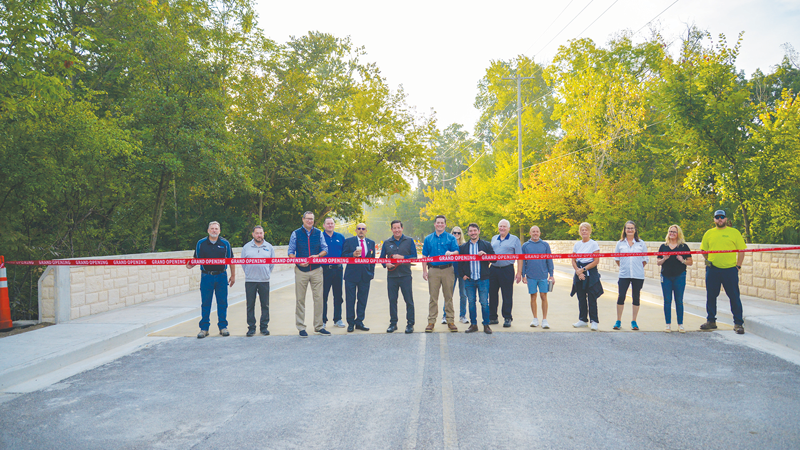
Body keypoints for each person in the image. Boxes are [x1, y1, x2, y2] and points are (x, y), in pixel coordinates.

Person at [700, 209, 747, 334]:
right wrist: (710, 261)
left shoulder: (734, 232)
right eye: (717, 217)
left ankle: (738, 323)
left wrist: (738, 266)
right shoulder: (709, 233)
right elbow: (704, 251)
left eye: (722, 217)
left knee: (734, 296)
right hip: (713, 270)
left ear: (726, 219)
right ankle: (711, 321)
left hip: (730, 270)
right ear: (714, 219)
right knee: (711, 296)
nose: (719, 219)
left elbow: (741, 250)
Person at [186, 221, 235, 339]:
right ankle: (204, 328)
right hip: (206, 276)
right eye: (212, 228)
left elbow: (231, 260)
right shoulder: (201, 243)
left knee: (222, 302)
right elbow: (196, 258)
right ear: (208, 230)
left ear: (219, 231)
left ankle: (223, 327)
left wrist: (233, 275)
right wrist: (190, 264)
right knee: (206, 303)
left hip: (221, 276)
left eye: (216, 229)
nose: (214, 230)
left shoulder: (225, 244)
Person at [288, 211, 329, 337]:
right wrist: (299, 262)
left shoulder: (319, 233)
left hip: (316, 270)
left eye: (312, 219)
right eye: (308, 219)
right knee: (300, 299)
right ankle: (301, 327)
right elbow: (290, 252)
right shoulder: (295, 233)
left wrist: (318, 256)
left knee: (318, 299)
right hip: (301, 271)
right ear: (303, 219)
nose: (310, 221)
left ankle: (318, 326)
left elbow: (325, 249)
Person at [422, 215, 460, 333]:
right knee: (433, 297)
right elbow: (424, 256)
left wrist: (452, 253)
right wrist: (424, 271)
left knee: (448, 296)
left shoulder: (451, 238)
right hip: (433, 270)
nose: (439, 224)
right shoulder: (428, 239)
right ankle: (431, 321)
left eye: (442, 223)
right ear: (434, 224)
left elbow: (457, 252)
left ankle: (450, 321)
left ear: (445, 224)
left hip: (448, 270)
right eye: (437, 222)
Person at [380, 220, 417, 334]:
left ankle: (410, 324)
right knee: (392, 300)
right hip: (392, 276)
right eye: (394, 228)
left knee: (409, 301)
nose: (396, 230)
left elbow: (414, 257)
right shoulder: (386, 242)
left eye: (398, 228)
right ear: (391, 229)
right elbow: (382, 258)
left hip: (405, 275)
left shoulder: (409, 241)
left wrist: (403, 257)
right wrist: (385, 264)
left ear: (402, 228)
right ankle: (393, 323)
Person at [458, 223, 495, 334]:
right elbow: (460, 263)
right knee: (471, 302)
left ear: (478, 231)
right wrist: (463, 275)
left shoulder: (486, 245)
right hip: (469, 280)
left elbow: (494, 259)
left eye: (475, 230)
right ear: (468, 233)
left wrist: (486, 255)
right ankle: (473, 324)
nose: (473, 233)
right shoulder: (463, 247)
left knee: (484, 303)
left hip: (483, 279)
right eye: (471, 231)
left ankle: (486, 325)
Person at [613, 221, 648, 331]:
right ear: (624, 230)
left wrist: (637, 267)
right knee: (621, 296)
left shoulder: (641, 243)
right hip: (624, 274)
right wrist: (625, 267)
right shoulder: (620, 243)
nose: (630, 230)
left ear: (635, 230)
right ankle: (618, 320)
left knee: (636, 297)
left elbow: (645, 259)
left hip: (638, 275)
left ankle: (634, 321)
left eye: (632, 228)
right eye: (628, 228)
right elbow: (617, 259)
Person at [658, 224, 692, 333]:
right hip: (666, 276)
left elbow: (690, 262)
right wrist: (664, 259)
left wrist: (682, 260)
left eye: (674, 232)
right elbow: (658, 262)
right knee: (667, 301)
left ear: (678, 234)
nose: (672, 233)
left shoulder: (683, 247)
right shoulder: (663, 246)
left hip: (679, 276)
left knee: (679, 301)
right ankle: (668, 324)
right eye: (670, 231)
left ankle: (680, 324)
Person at [240, 225, 274, 337]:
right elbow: (243, 263)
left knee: (265, 305)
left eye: (261, 233)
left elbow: (271, 264)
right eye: (257, 233)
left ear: (263, 234)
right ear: (253, 234)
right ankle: (251, 328)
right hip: (250, 280)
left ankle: (264, 327)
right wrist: (249, 273)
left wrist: (266, 273)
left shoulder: (269, 247)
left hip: (264, 280)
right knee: (250, 305)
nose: (259, 235)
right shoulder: (246, 247)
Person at [342, 223, 376, 332]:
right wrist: (352, 254)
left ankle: (359, 321)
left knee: (362, 300)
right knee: (350, 300)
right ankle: (350, 323)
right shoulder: (349, 241)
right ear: (356, 230)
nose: (361, 230)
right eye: (359, 229)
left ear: (366, 231)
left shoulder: (371, 243)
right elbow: (343, 257)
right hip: (351, 276)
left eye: (363, 229)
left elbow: (373, 260)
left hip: (365, 276)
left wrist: (371, 273)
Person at [489, 219, 523, 327]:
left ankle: (507, 317)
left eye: (504, 226)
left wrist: (519, 273)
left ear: (508, 228)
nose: (502, 228)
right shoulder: (494, 238)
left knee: (507, 294)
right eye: (500, 226)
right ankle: (493, 317)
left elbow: (519, 257)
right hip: (493, 269)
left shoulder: (514, 239)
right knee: (492, 294)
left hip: (507, 269)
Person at [570, 222, 603, 331]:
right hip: (579, 270)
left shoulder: (593, 244)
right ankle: (583, 320)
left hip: (590, 271)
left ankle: (594, 321)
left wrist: (584, 270)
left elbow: (596, 260)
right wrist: (578, 272)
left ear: (589, 231)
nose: (584, 231)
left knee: (592, 297)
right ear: (580, 232)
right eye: (582, 230)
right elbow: (573, 260)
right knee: (581, 297)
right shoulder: (577, 245)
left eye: (586, 230)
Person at [521, 226, 554, 329]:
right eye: (533, 232)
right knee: (533, 297)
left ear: (540, 233)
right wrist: (523, 275)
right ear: (530, 233)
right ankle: (535, 318)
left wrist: (551, 275)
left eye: (537, 232)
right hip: (531, 276)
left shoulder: (545, 245)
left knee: (544, 296)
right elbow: (522, 262)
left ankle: (544, 320)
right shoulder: (525, 246)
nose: (535, 233)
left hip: (543, 275)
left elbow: (549, 260)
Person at [321, 217, 346, 328]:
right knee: (323, 296)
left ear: (334, 225)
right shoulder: (319, 237)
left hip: (338, 270)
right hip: (325, 270)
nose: (330, 225)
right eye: (328, 223)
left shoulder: (340, 237)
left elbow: (345, 253)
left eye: (332, 223)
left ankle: (338, 319)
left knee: (338, 296)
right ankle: (323, 320)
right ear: (324, 225)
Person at [442, 226, 469, 324]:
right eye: (454, 233)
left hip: (462, 273)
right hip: (451, 272)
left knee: (463, 295)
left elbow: (467, 260)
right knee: (449, 294)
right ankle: (445, 316)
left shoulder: (465, 245)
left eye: (458, 233)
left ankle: (462, 316)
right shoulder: (449, 244)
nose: (456, 235)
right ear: (452, 234)